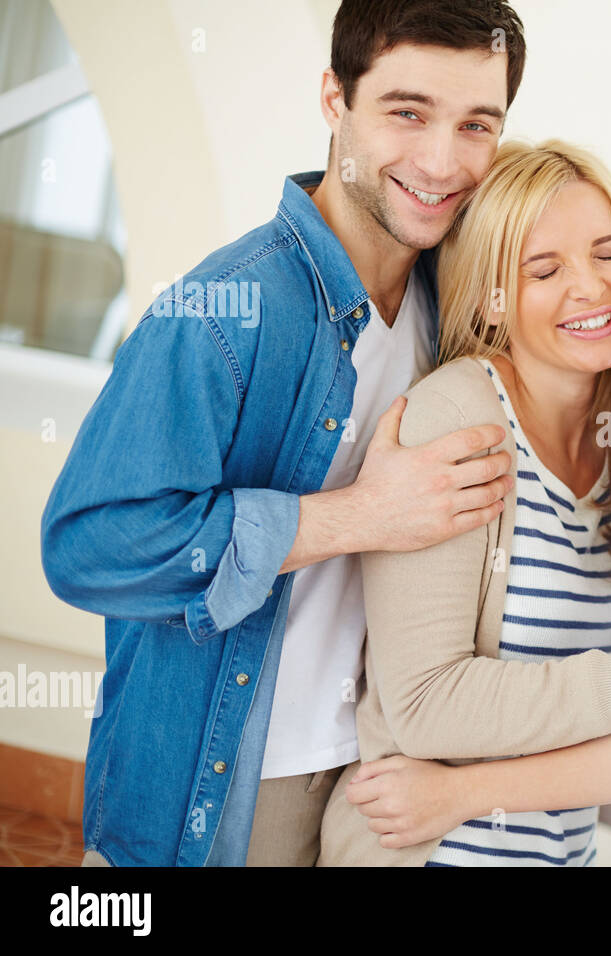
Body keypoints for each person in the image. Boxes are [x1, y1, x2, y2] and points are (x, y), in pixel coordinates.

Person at [38, 0, 527, 867]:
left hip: (366, 788)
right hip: (217, 788)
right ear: (335, 100)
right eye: (407, 112)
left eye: (476, 124)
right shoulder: (223, 311)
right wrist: (356, 516)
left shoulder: (452, 309)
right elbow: (87, 545)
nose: (443, 161)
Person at [318, 145, 611, 867]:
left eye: (608, 254)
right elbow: (425, 707)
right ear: (489, 297)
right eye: (544, 271)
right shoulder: (457, 421)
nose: (591, 288)